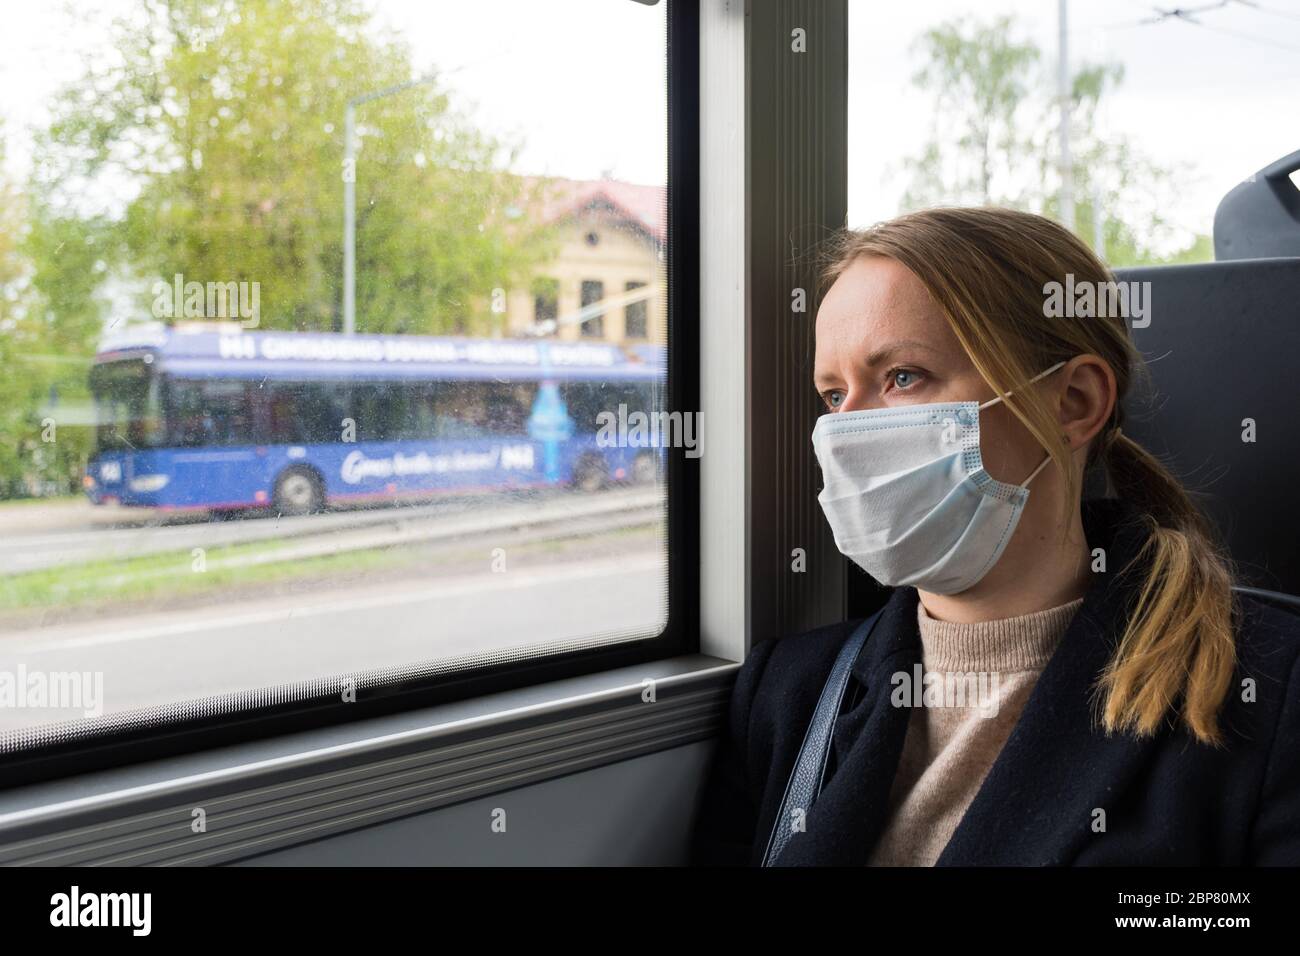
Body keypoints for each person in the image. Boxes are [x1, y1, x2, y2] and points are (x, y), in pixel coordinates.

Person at [690, 207, 1300, 866]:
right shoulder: (790, 692)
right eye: (834, 395)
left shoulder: (1265, 692)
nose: (847, 433)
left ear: (1073, 403)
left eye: (902, 377)